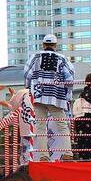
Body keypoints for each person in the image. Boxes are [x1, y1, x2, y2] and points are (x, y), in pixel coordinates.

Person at [23, 34, 73, 162]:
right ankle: (68, 154)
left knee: (40, 126)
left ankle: (43, 156)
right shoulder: (62, 59)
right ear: (55, 45)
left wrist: (29, 88)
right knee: (62, 125)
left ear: (44, 45)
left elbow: (27, 74)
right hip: (56, 95)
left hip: (39, 95)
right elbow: (69, 78)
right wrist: (67, 95)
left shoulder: (35, 57)